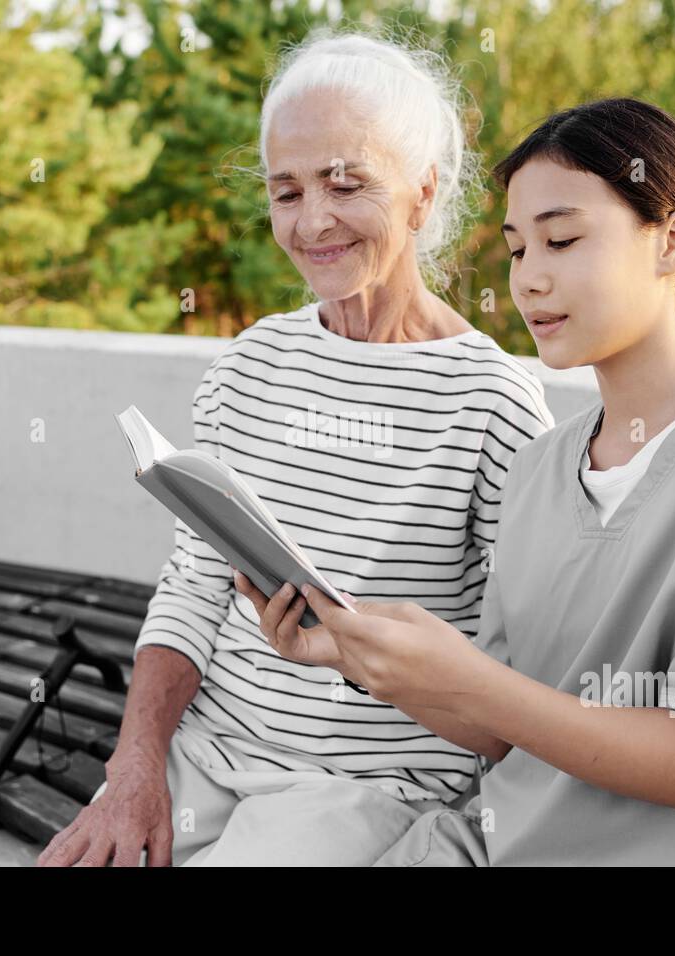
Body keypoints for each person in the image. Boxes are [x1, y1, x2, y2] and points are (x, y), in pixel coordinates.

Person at [240, 97, 675, 866]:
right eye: (516, 250)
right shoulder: (541, 464)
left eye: (561, 240)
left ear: (671, 242)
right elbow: (507, 735)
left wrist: (471, 679)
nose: (529, 280)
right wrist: (361, 656)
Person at [37, 30, 554, 867]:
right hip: (204, 752)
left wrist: (360, 651)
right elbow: (193, 589)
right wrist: (134, 766)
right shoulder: (249, 364)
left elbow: (522, 674)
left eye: (347, 184)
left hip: (364, 785)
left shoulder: (492, 402)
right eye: (287, 192)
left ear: (423, 195)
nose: (313, 221)